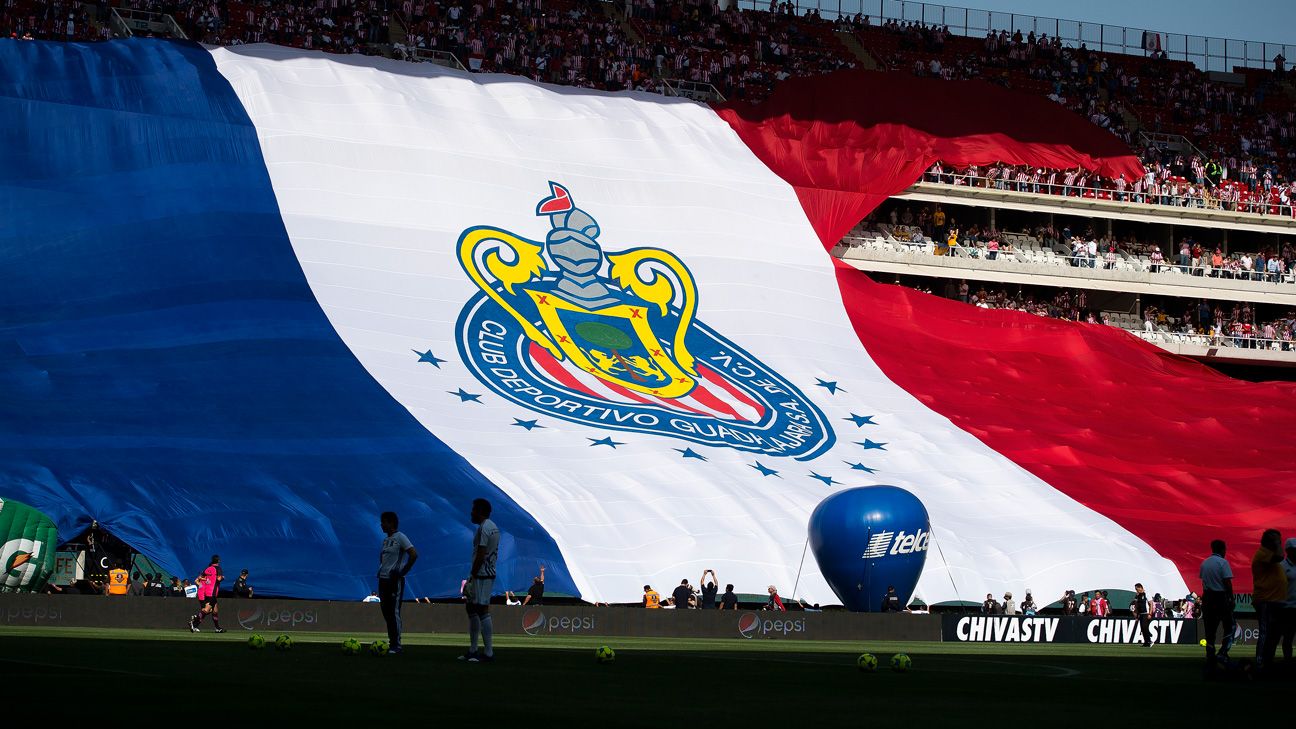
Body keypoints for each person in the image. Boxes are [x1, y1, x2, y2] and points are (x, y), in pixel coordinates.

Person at [461, 498, 499, 662]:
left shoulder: (485, 528)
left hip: (483, 574)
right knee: (471, 608)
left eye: (474, 510)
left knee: (482, 609)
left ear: (480, 511)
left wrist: (473, 575)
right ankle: (473, 649)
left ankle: (488, 653)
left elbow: (481, 554)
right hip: (484, 573)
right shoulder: (492, 527)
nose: (471, 513)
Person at [377, 511, 418, 655]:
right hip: (382, 580)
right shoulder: (385, 540)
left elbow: (413, 554)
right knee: (386, 612)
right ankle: (391, 641)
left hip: (394, 581)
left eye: (384, 522)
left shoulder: (400, 537)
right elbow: (383, 558)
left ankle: (396, 644)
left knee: (394, 612)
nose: (381, 525)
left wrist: (402, 572)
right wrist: (381, 569)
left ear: (391, 523)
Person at [1251, 528, 1287, 672]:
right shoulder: (1263, 553)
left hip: (1274, 600)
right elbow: (1280, 557)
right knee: (1265, 632)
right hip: (1266, 599)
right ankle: (1260, 662)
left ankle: (1267, 661)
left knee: (1273, 633)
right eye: (1276, 539)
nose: (1279, 541)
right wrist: (1278, 542)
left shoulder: (1267, 554)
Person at [1199, 539, 1235, 670]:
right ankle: (1223, 652)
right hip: (1220, 597)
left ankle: (1210, 654)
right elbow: (1227, 582)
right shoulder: (1223, 562)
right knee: (1230, 626)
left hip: (1208, 597)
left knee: (1210, 629)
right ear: (1223, 549)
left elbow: (1203, 581)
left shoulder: (1205, 563)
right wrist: (1231, 598)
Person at [189, 555, 225, 633]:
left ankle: (217, 628)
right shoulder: (218, 569)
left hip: (206, 592)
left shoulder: (207, 568)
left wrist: (207, 579)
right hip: (213, 592)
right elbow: (219, 579)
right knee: (207, 610)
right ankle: (194, 622)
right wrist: (222, 578)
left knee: (215, 611)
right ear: (218, 561)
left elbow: (200, 577)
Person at [1282, 538, 1296, 663]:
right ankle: (1288, 661)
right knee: (1288, 637)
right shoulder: (1282, 566)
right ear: (1288, 551)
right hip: (1287, 608)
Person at [1131, 583, 1153, 647]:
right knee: (1142, 629)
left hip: (1146, 613)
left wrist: (1150, 613)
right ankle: (1146, 642)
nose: (1136, 590)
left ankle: (1149, 640)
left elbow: (1151, 604)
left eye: (1137, 589)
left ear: (1140, 587)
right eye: (1136, 589)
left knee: (1144, 627)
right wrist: (1137, 616)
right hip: (1141, 614)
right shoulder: (1137, 595)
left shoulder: (1147, 594)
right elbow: (1136, 605)